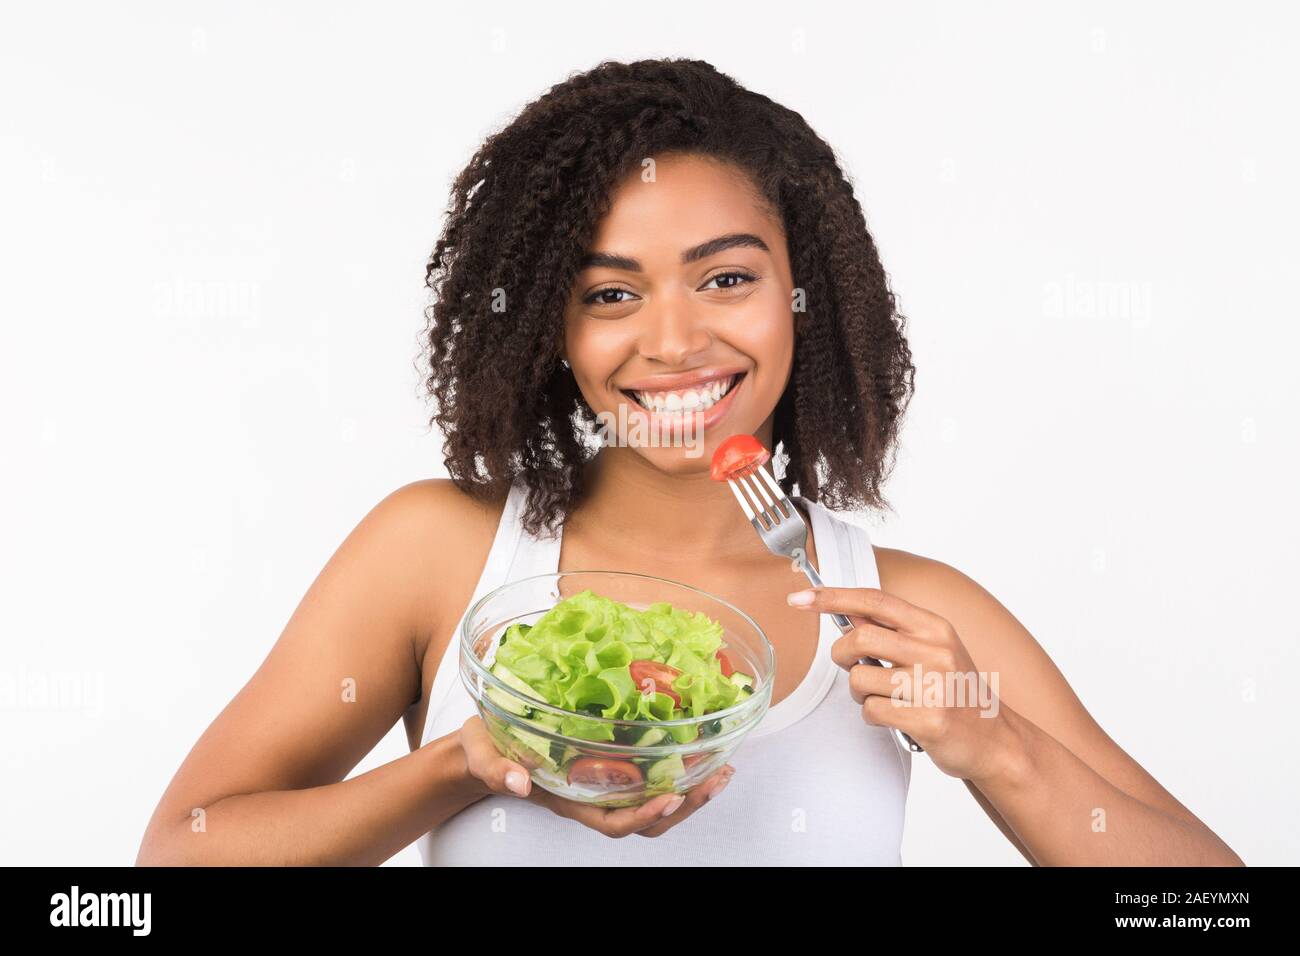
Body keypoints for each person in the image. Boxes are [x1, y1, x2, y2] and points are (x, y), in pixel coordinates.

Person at [136, 58, 1242, 866]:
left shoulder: (910, 611)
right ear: (548, 332)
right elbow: (169, 867)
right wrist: (464, 763)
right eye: (609, 293)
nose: (671, 342)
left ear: (807, 297)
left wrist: (1002, 749)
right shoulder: (434, 553)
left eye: (725, 279)